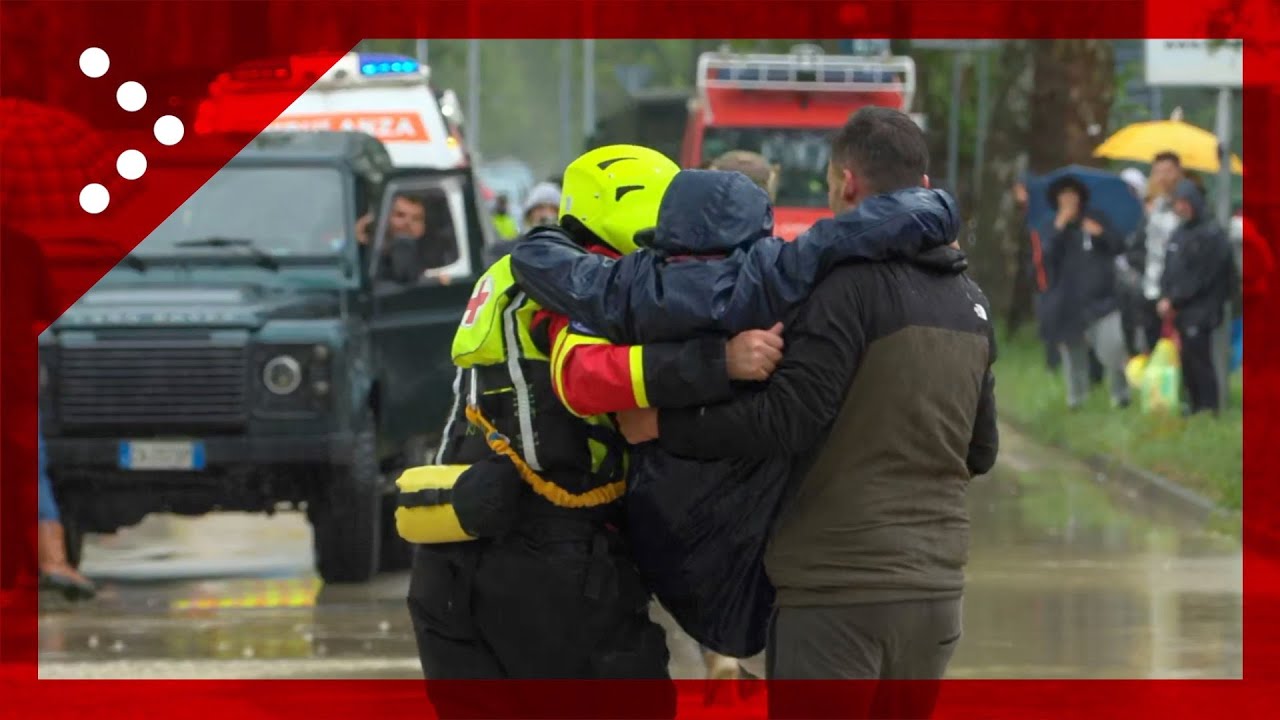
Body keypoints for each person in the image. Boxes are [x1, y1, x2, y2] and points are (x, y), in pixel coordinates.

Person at [508, 108, 985, 716]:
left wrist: (667, 418)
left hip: (822, 586)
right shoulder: (949, 298)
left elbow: (786, 419)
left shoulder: (639, 288)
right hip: (935, 584)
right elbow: (981, 448)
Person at [406, 145, 780, 718]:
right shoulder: (587, 280)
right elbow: (583, 376)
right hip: (547, 556)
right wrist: (719, 363)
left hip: (449, 560)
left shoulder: (511, 271)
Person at [1042, 175, 1131, 409]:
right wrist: (1060, 225)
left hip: (1103, 299)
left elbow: (1119, 246)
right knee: (1074, 355)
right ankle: (1076, 401)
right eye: (1064, 197)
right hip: (1069, 302)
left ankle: (1121, 397)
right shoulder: (1052, 226)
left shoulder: (1096, 219)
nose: (1069, 201)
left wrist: (1100, 233)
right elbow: (1046, 258)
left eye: (1073, 196)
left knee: (1114, 347)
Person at [1159, 178, 1236, 415]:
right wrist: (1165, 296)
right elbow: (1169, 269)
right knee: (1187, 360)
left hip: (1203, 308)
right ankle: (1194, 405)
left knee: (1201, 359)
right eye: (1177, 203)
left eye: (1185, 202)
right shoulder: (1179, 233)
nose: (1181, 207)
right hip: (1180, 309)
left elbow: (1203, 276)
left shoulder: (1212, 234)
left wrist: (1174, 300)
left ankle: (1209, 408)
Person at [1139, 151, 1185, 352]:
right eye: (1158, 172)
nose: (1163, 177)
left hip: (1176, 290)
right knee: (1155, 350)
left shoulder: (1185, 206)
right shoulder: (1155, 206)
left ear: (1179, 173)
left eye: (1168, 171)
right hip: (1152, 286)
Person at [358, 193, 460, 284]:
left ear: (423, 227)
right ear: (385, 218)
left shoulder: (438, 258)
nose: (407, 223)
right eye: (400, 215)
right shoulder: (366, 254)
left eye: (416, 218)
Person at [481, 182, 561, 268]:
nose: (545, 215)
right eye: (540, 208)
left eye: (552, 209)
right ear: (529, 214)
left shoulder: (568, 252)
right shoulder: (504, 250)